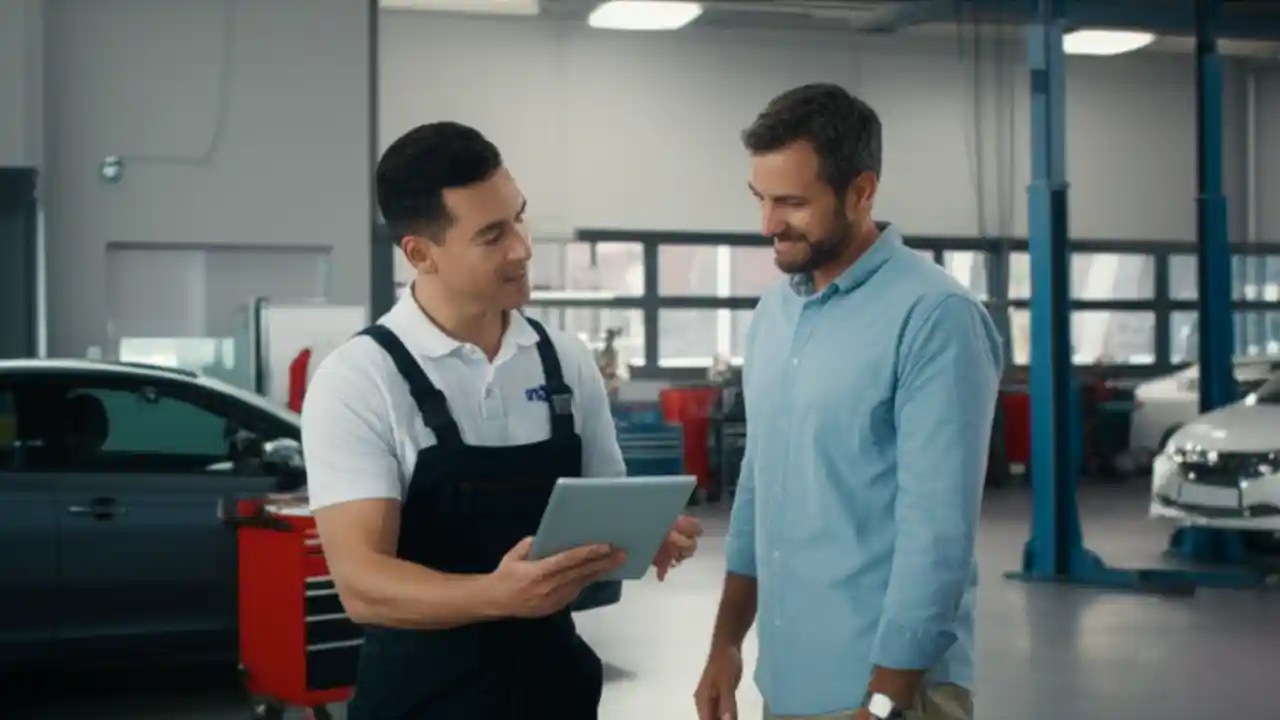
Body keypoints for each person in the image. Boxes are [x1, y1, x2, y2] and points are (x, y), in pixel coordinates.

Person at [302, 121, 702, 720]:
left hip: (556, 696)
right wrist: (496, 595)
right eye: (492, 235)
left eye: (518, 217)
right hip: (422, 704)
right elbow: (362, 585)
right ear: (420, 253)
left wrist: (646, 534)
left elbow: (606, 513)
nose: (522, 247)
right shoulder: (359, 380)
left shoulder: (565, 362)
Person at [694, 84, 1003, 720]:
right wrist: (726, 643)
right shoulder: (776, 311)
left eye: (792, 203)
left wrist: (885, 702)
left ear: (861, 192)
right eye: (761, 199)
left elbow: (937, 537)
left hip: (888, 691)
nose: (768, 224)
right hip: (788, 682)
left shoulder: (935, 317)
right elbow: (757, 491)